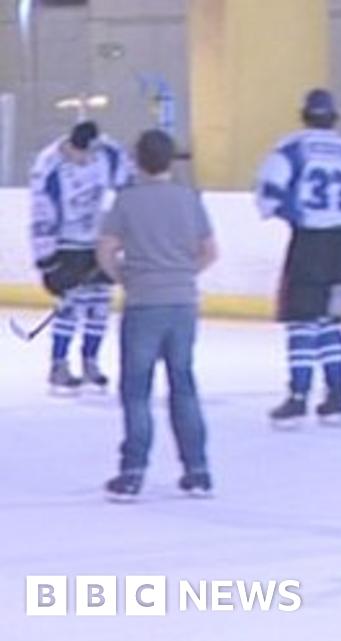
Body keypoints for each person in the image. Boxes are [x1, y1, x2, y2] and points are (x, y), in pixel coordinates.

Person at [96, 130, 218, 500]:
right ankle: (197, 471)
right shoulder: (188, 199)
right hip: (182, 304)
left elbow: (106, 250)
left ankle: (132, 472)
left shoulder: (126, 202)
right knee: (183, 385)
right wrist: (182, 274)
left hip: (143, 303)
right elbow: (209, 251)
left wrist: (125, 278)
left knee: (137, 390)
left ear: (137, 159)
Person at [255, 88, 341, 428]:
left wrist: (298, 215)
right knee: (331, 321)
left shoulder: (292, 147)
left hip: (310, 242)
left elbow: (268, 196)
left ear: (304, 115)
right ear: (335, 117)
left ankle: (298, 397)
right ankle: (337, 396)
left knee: (301, 321)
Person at [29, 120, 132, 394]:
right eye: (80, 156)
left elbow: (129, 185)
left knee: (99, 305)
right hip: (65, 244)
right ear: (70, 147)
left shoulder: (108, 152)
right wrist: (46, 261)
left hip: (98, 242)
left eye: (90, 156)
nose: (85, 161)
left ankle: (91, 361)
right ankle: (59, 364)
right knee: (70, 307)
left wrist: (124, 232)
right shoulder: (49, 165)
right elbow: (41, 214)